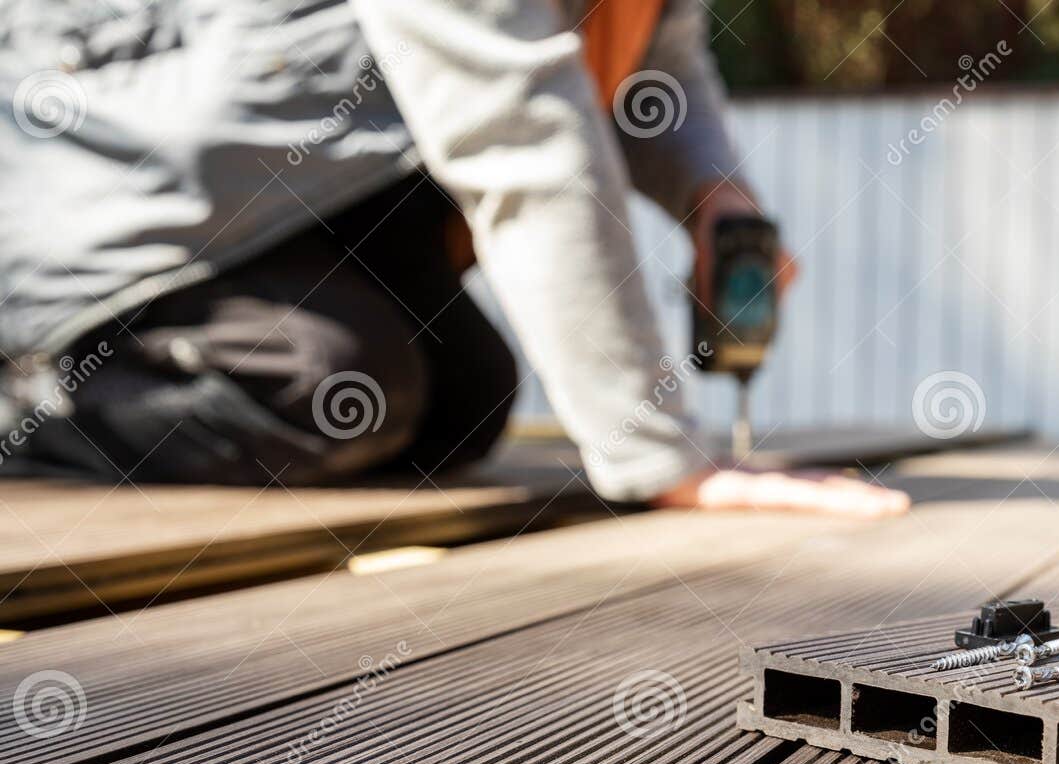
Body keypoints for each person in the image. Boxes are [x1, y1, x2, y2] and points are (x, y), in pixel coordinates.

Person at [0, 0, 909, 519]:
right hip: (108, 220)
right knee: (337, 388)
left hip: (296, 210)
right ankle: (26, 397)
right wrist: (669, 463)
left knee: (465, 399)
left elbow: (656, 48)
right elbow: (519, 127)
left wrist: (717, 195)